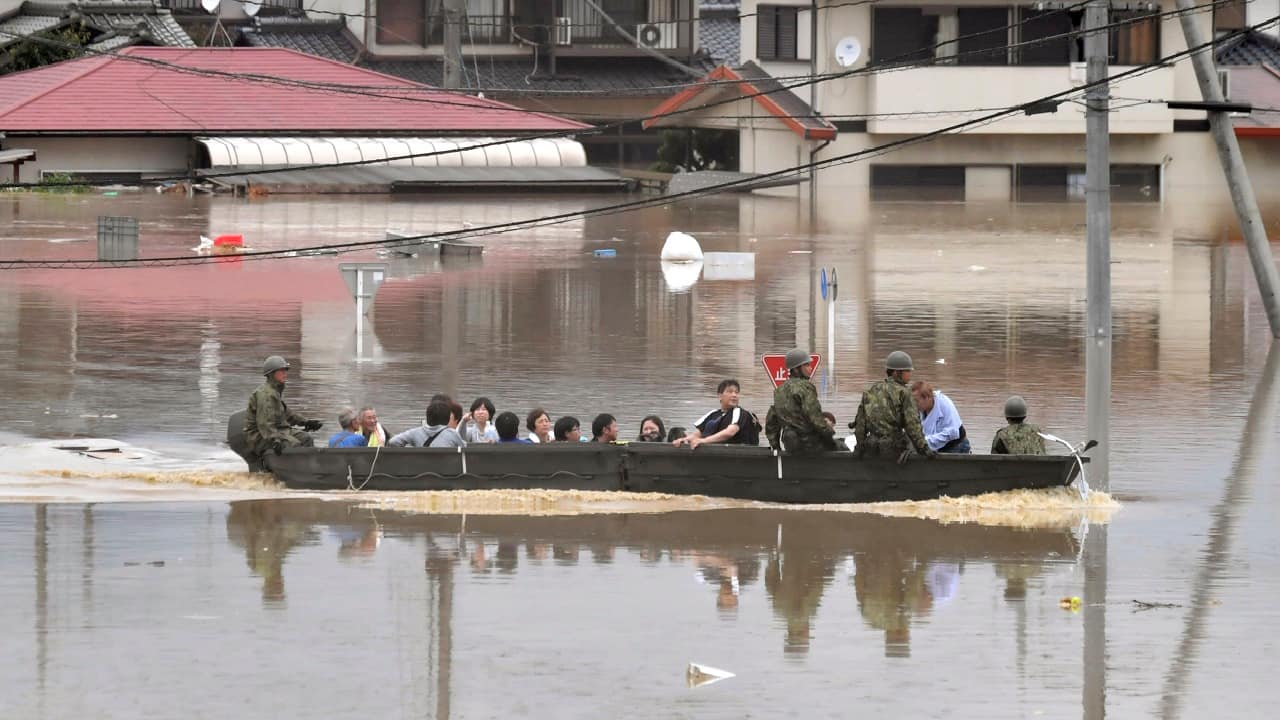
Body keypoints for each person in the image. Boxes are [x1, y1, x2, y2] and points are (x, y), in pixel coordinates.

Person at [850, 351, 935, 461]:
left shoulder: (870, 390)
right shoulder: (904, 393)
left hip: (871, 448)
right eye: (907, 371)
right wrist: (925, 449)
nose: (910, 374)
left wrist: (860, 448)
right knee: (911, 443)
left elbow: (861, 424)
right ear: (896, 373)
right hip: (893, 450)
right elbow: (912, 426)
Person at [244, 355, 322, 460]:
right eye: (281, 371)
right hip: (260, 437)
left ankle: (311, 466)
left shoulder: (274, 392)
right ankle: (296, 469)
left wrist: (306, 422)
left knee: (306, 438)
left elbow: (286, 414)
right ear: (272, 374)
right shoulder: (266, 394)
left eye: (286, 370)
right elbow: (265, 424)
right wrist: (276, 440)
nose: (285, 374)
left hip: (277, 432)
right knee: (294, 444)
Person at [765, 349, 836, 452]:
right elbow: (814, 417)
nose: (810, 368)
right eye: (806, 365)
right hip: (810, 443)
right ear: (796, 369)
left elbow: (772, 420)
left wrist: (776, 447)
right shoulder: (806, 387)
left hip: (789, 444)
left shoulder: (778, 390)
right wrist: (830, 435)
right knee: (842, 446)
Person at [675, 379, 760, 448]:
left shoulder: (739, 412)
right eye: (730, 392)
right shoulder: (713, 414)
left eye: (736, 392)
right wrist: (684, 440)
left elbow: (730, 432)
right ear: (720, 396)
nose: (734, 395)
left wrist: (703, 441)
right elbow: (698, 434)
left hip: (738, 456)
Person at [911, 381, 970, 454]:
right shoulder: (920, 409)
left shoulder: (944, 404)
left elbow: (952, 433)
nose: (914, 404)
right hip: (937, 448)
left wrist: (924, 442)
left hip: (956, 446)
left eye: (916, 401)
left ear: (927, 398)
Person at [388, 399, 467, 448]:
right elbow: (463, 449)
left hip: (419, 473)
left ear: (428, 417)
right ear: (447, 419)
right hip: (446, 473)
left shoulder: (415, 432)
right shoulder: (452, 434)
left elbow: (393, 442)